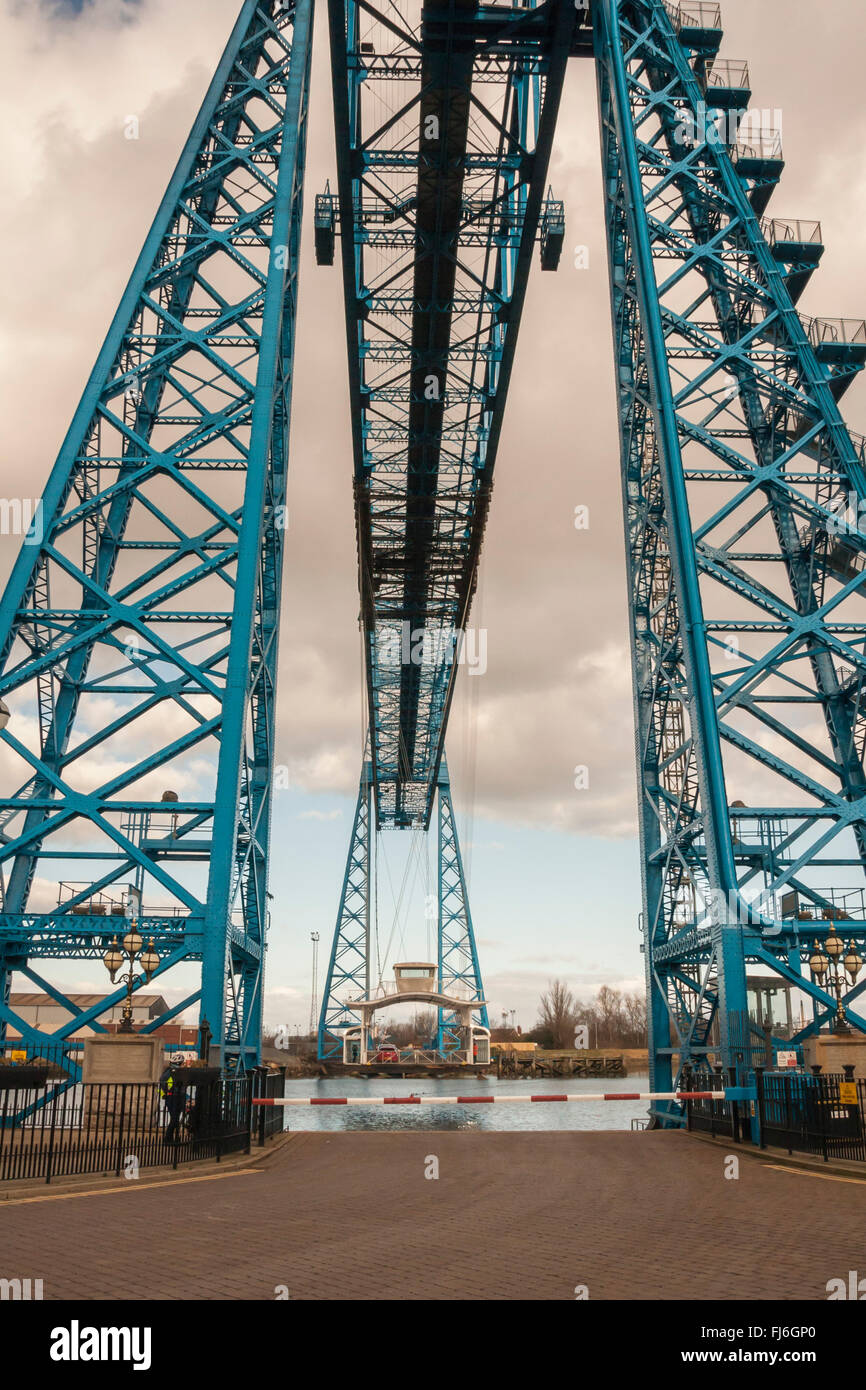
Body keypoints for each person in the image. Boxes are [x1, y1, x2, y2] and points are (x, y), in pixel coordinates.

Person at [159, 1054, 188, 1145]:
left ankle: (173, 1139)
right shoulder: (170, 1073)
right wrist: (167, 1093)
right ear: (179, 1063)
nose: (184, 1065)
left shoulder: (177, 1072)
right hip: (172, 1098)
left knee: (175, 1119)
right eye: (183, 1063)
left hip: (178, 1097)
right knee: (175, 1119)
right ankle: (168, 1139)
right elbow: (163, 1084)